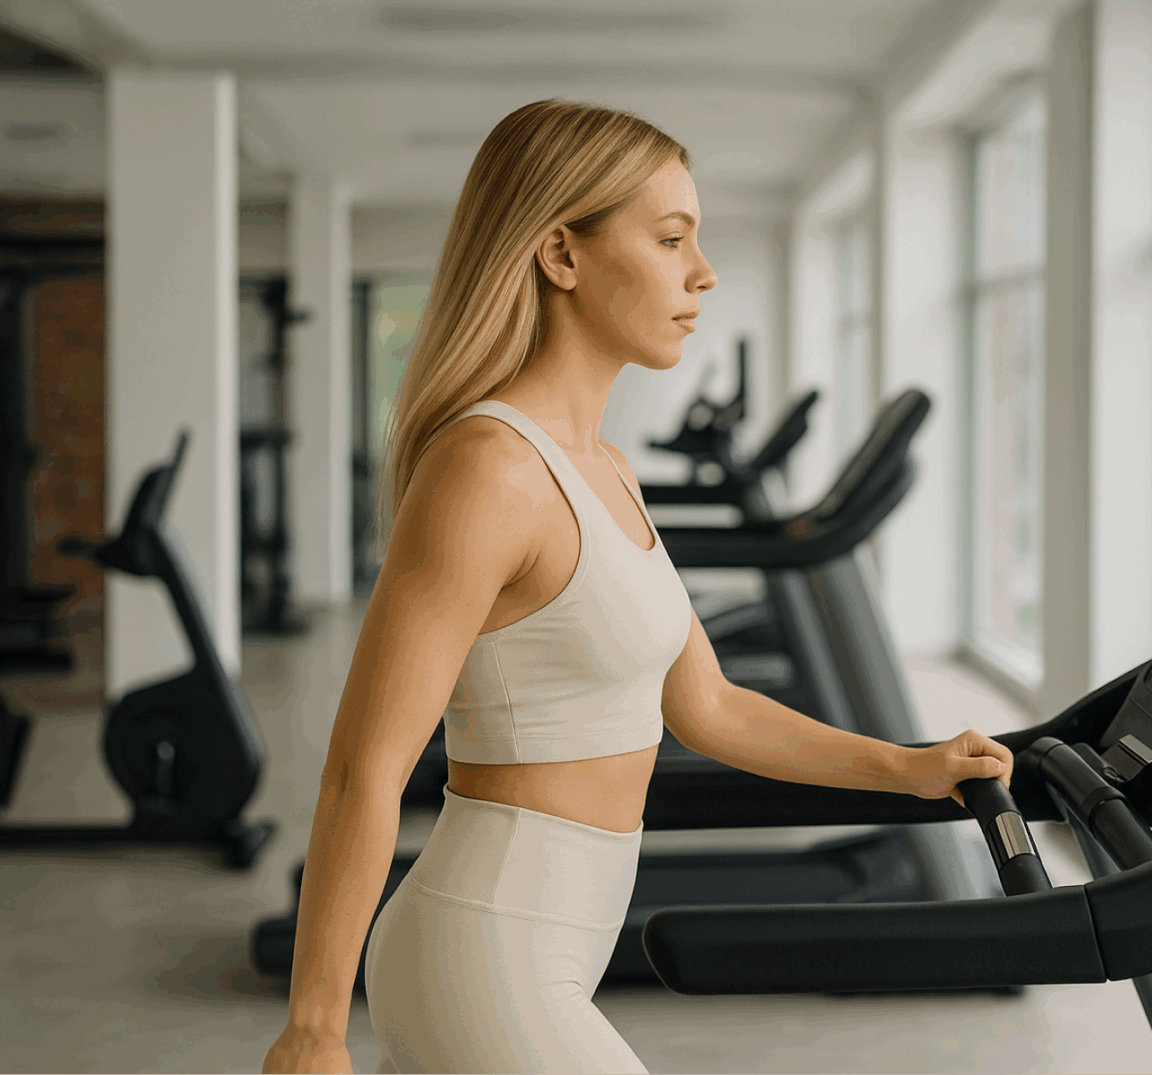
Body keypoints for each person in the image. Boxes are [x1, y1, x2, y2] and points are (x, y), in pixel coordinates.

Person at [260, 98, 1014, 1075]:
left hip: (563, 939)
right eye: (668, 239)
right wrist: (314, 1027)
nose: (702, 273)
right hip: (484, 945)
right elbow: (361, 768)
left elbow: (709, 706)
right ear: (560, 255)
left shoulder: (604, 467)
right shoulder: (487, 470)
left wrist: (909, 768)